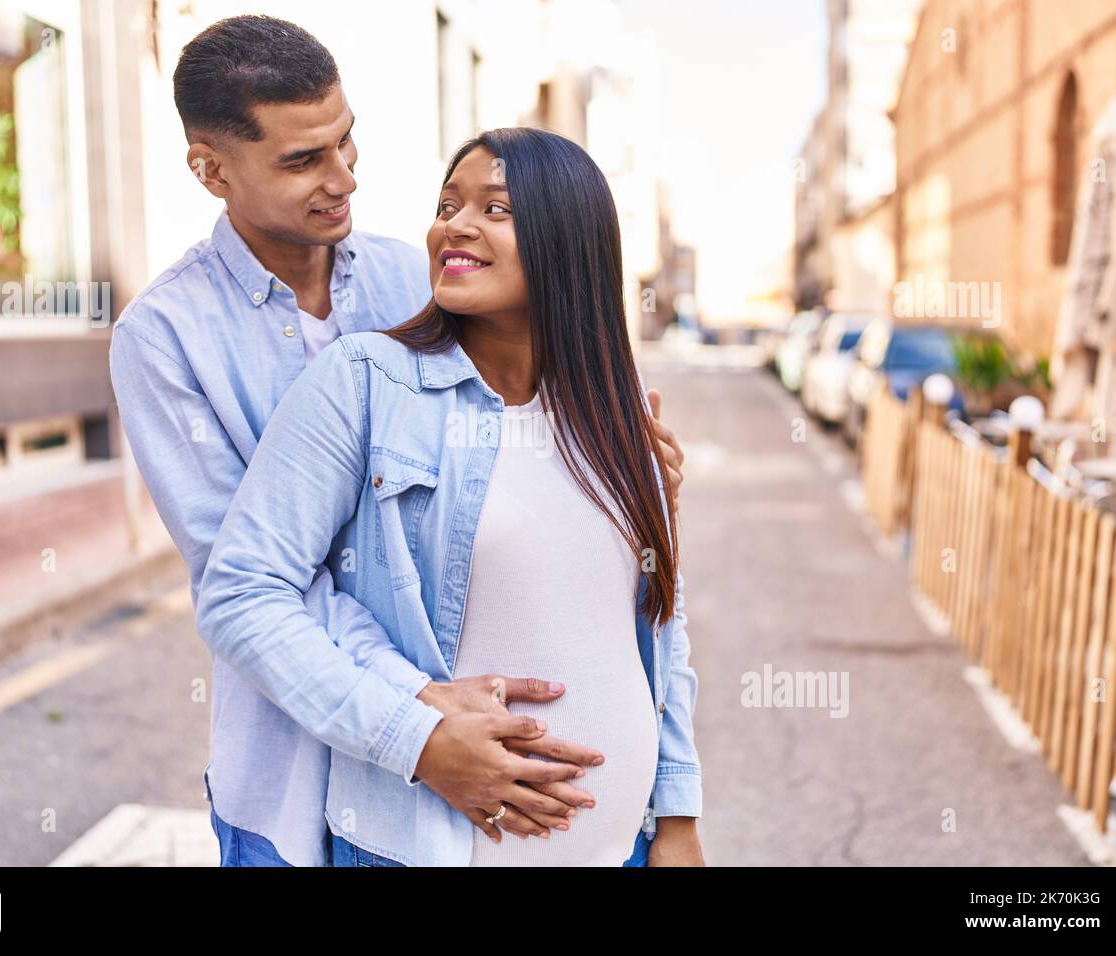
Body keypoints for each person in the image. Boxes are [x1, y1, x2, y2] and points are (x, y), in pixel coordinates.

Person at [109, 15, 688, 867]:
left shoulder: (418, 276)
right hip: (297, 766)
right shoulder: (164, 338)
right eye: (303, 160)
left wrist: (623, 479)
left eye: (347, 143)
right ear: (211, 170)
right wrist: (419, 726)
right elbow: (256, 583)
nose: (342, 178)